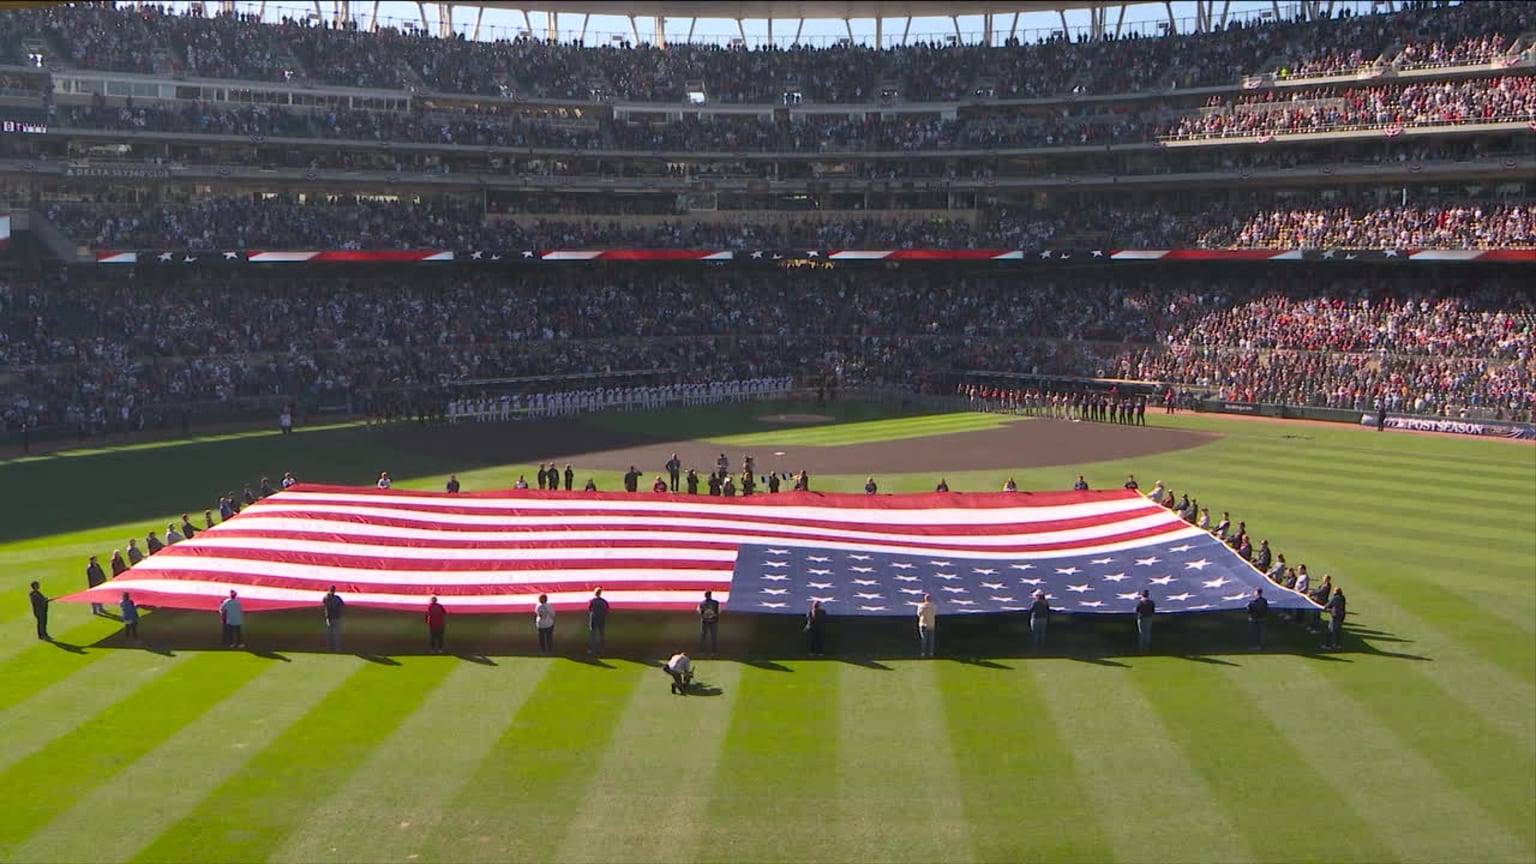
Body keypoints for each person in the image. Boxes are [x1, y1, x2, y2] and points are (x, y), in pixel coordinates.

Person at [322, 585, 345, 652]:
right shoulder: (337, 598)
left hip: (332, 618)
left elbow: (324, 601)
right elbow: (342, 605)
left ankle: (331, 648)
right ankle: (335, 648)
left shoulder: (328, 597)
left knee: (331, 634)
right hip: (334, 618)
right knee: (335, 635)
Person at [587, 587, 609, 655]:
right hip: (601, 619)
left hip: (594, 619)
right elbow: (607, 609)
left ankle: (592, 650)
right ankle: (602, 650)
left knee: (593, 635)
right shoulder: (604, 601)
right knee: (602, 635)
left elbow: (590, 609)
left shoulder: (592, 601)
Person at [698, 589, 720, 654]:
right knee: (713, 637)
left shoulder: (702, 603)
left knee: (704, 637)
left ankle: (702, 651)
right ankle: (714, 651)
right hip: (713, 621)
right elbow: (718, 611)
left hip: (705, 621)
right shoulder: (716, 603)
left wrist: (705, 616)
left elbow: (699, 612)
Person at [916, 593, 937, 658]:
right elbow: (935, 613)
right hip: (931, 624)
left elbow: (918, 614)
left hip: (923, 624)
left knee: (924, 639)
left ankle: (923, 652)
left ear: (925, 599)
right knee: (931, 639)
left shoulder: (921, 606)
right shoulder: (934, 606)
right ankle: (931, 652)